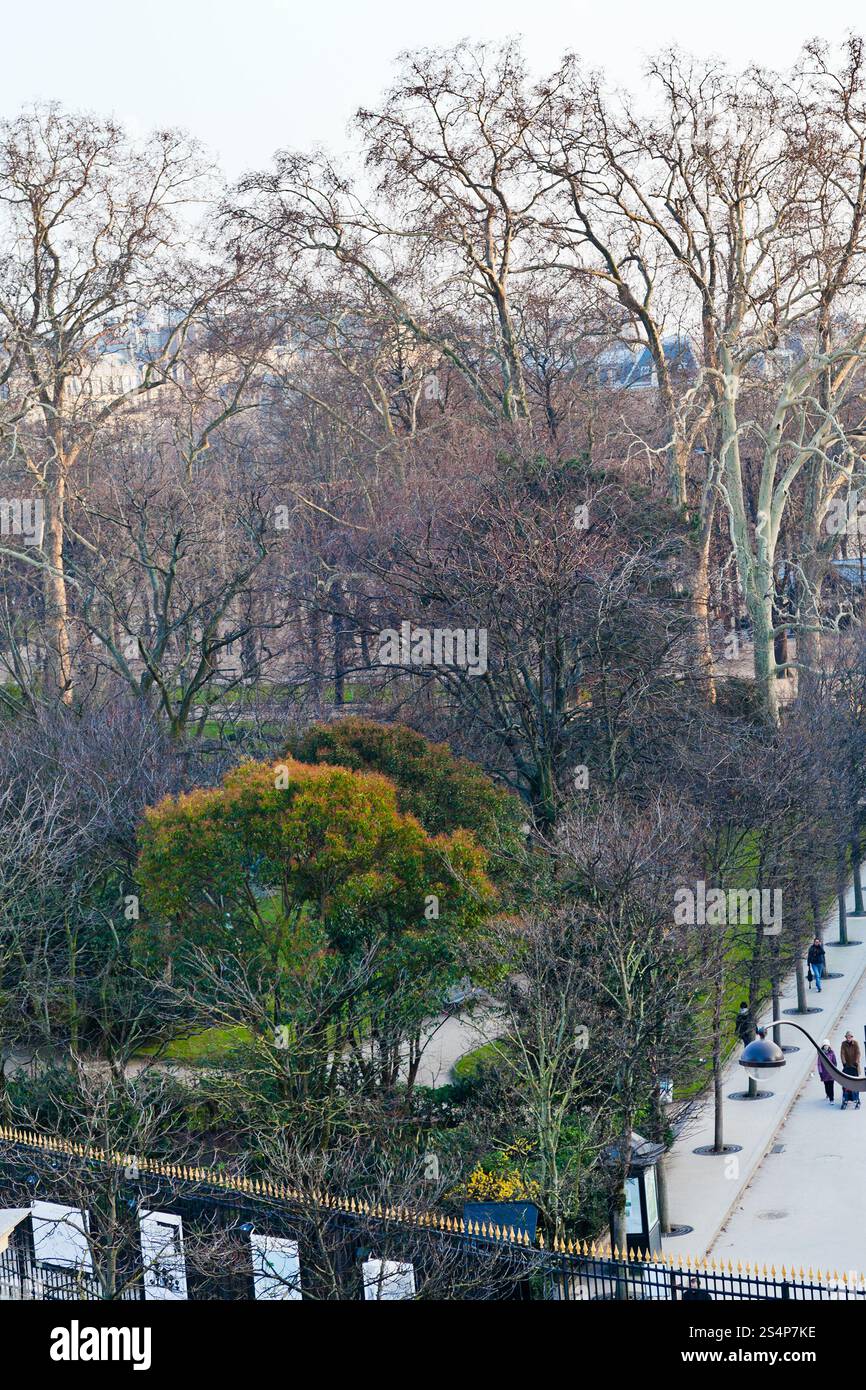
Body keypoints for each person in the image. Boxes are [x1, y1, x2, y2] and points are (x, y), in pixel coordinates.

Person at [840, 1031, 862, 1110]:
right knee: (846, 1083)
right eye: (847, 1037)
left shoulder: (855, 1043)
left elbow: (858, 1053)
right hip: (847, 1066)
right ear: (846, 1038)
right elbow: (842, 1053)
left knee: (855, 1083)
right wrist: (844, 1063)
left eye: (850, 1037)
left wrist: (856, 1062)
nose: (849, 1038)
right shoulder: (843, 1044)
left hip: (854, 1066)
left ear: (852, 1037)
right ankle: (846, 1098)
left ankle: (856, 1099)